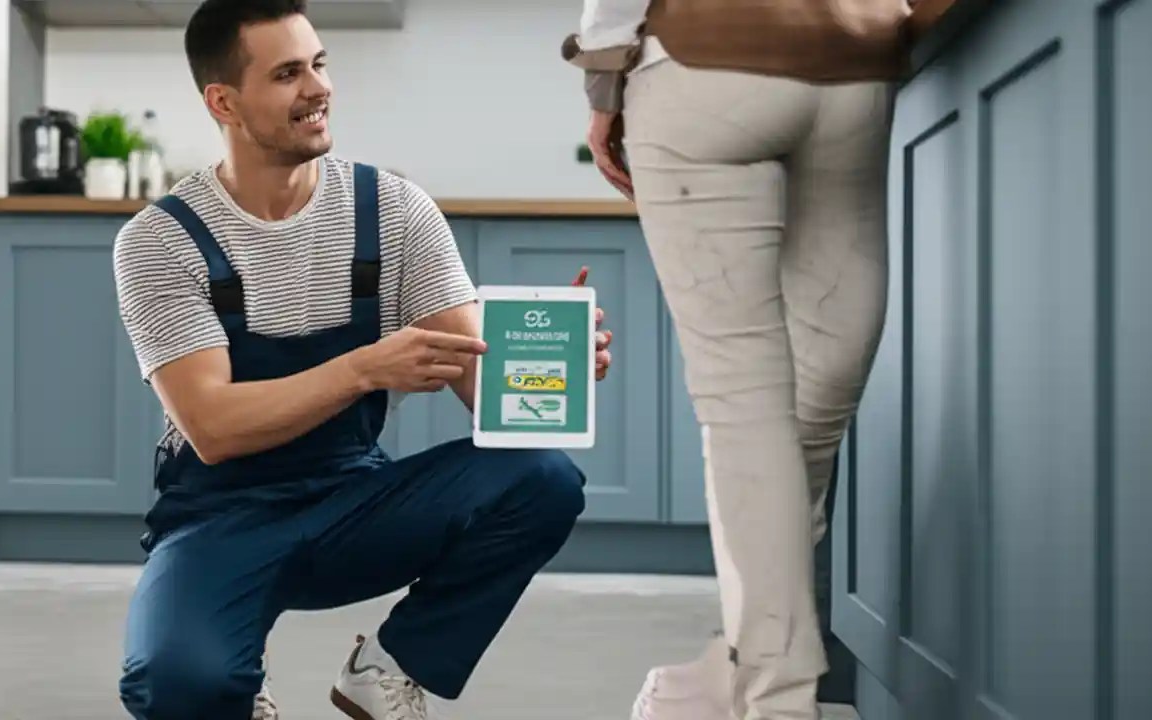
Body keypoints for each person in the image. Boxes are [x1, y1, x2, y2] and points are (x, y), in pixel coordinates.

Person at [112, 1, 614, 719]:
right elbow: (213, 427)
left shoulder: (394, 211)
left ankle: (388, 668)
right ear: (223, 102)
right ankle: (231, 679)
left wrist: (551, 365)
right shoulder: (160, 240)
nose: (318, 87)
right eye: (287, 73)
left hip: (352, 503)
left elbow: (487, 388)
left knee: (543, 477)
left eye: (319, 64)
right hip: (219, 520)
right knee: (178, 685)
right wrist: (365, 369)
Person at [562, 1, 914, 718]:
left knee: (748, 405)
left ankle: (770, 694)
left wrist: (603, 87)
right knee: (808, 408)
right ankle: (748, 666)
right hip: (856, 57)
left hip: (702, 62)